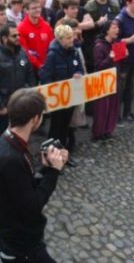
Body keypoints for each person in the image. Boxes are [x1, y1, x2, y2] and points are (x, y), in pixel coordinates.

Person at [0, 88, 68, 263]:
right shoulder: (12, 157)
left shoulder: (6, 140)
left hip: (17, 241)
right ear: (35, 119)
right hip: (21, 248)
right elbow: (33, 206)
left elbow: (22, 188)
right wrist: (54, 171)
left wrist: (45, 168)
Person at [0, 23, 36, 143]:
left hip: (20, 102)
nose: (18, 38)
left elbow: (30, 75)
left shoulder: (22, 53)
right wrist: (1, 106)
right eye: (14, 36)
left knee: (20, 133)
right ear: (4, 38)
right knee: (1, 136)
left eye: (18, 35)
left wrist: (31, 95)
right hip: (4, 104)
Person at [39, 24, 83, 164]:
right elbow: (45, 76)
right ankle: (51, 157)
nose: (72, 40)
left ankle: (62, 156)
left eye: (72, 37)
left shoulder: (74, 51)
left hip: (69, 96)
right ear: (60, 39)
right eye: (68, 38)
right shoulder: (52, 55)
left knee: (65, 127)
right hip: (58, 98)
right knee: (55, 129)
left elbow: (80, 68)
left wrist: (78, 74)